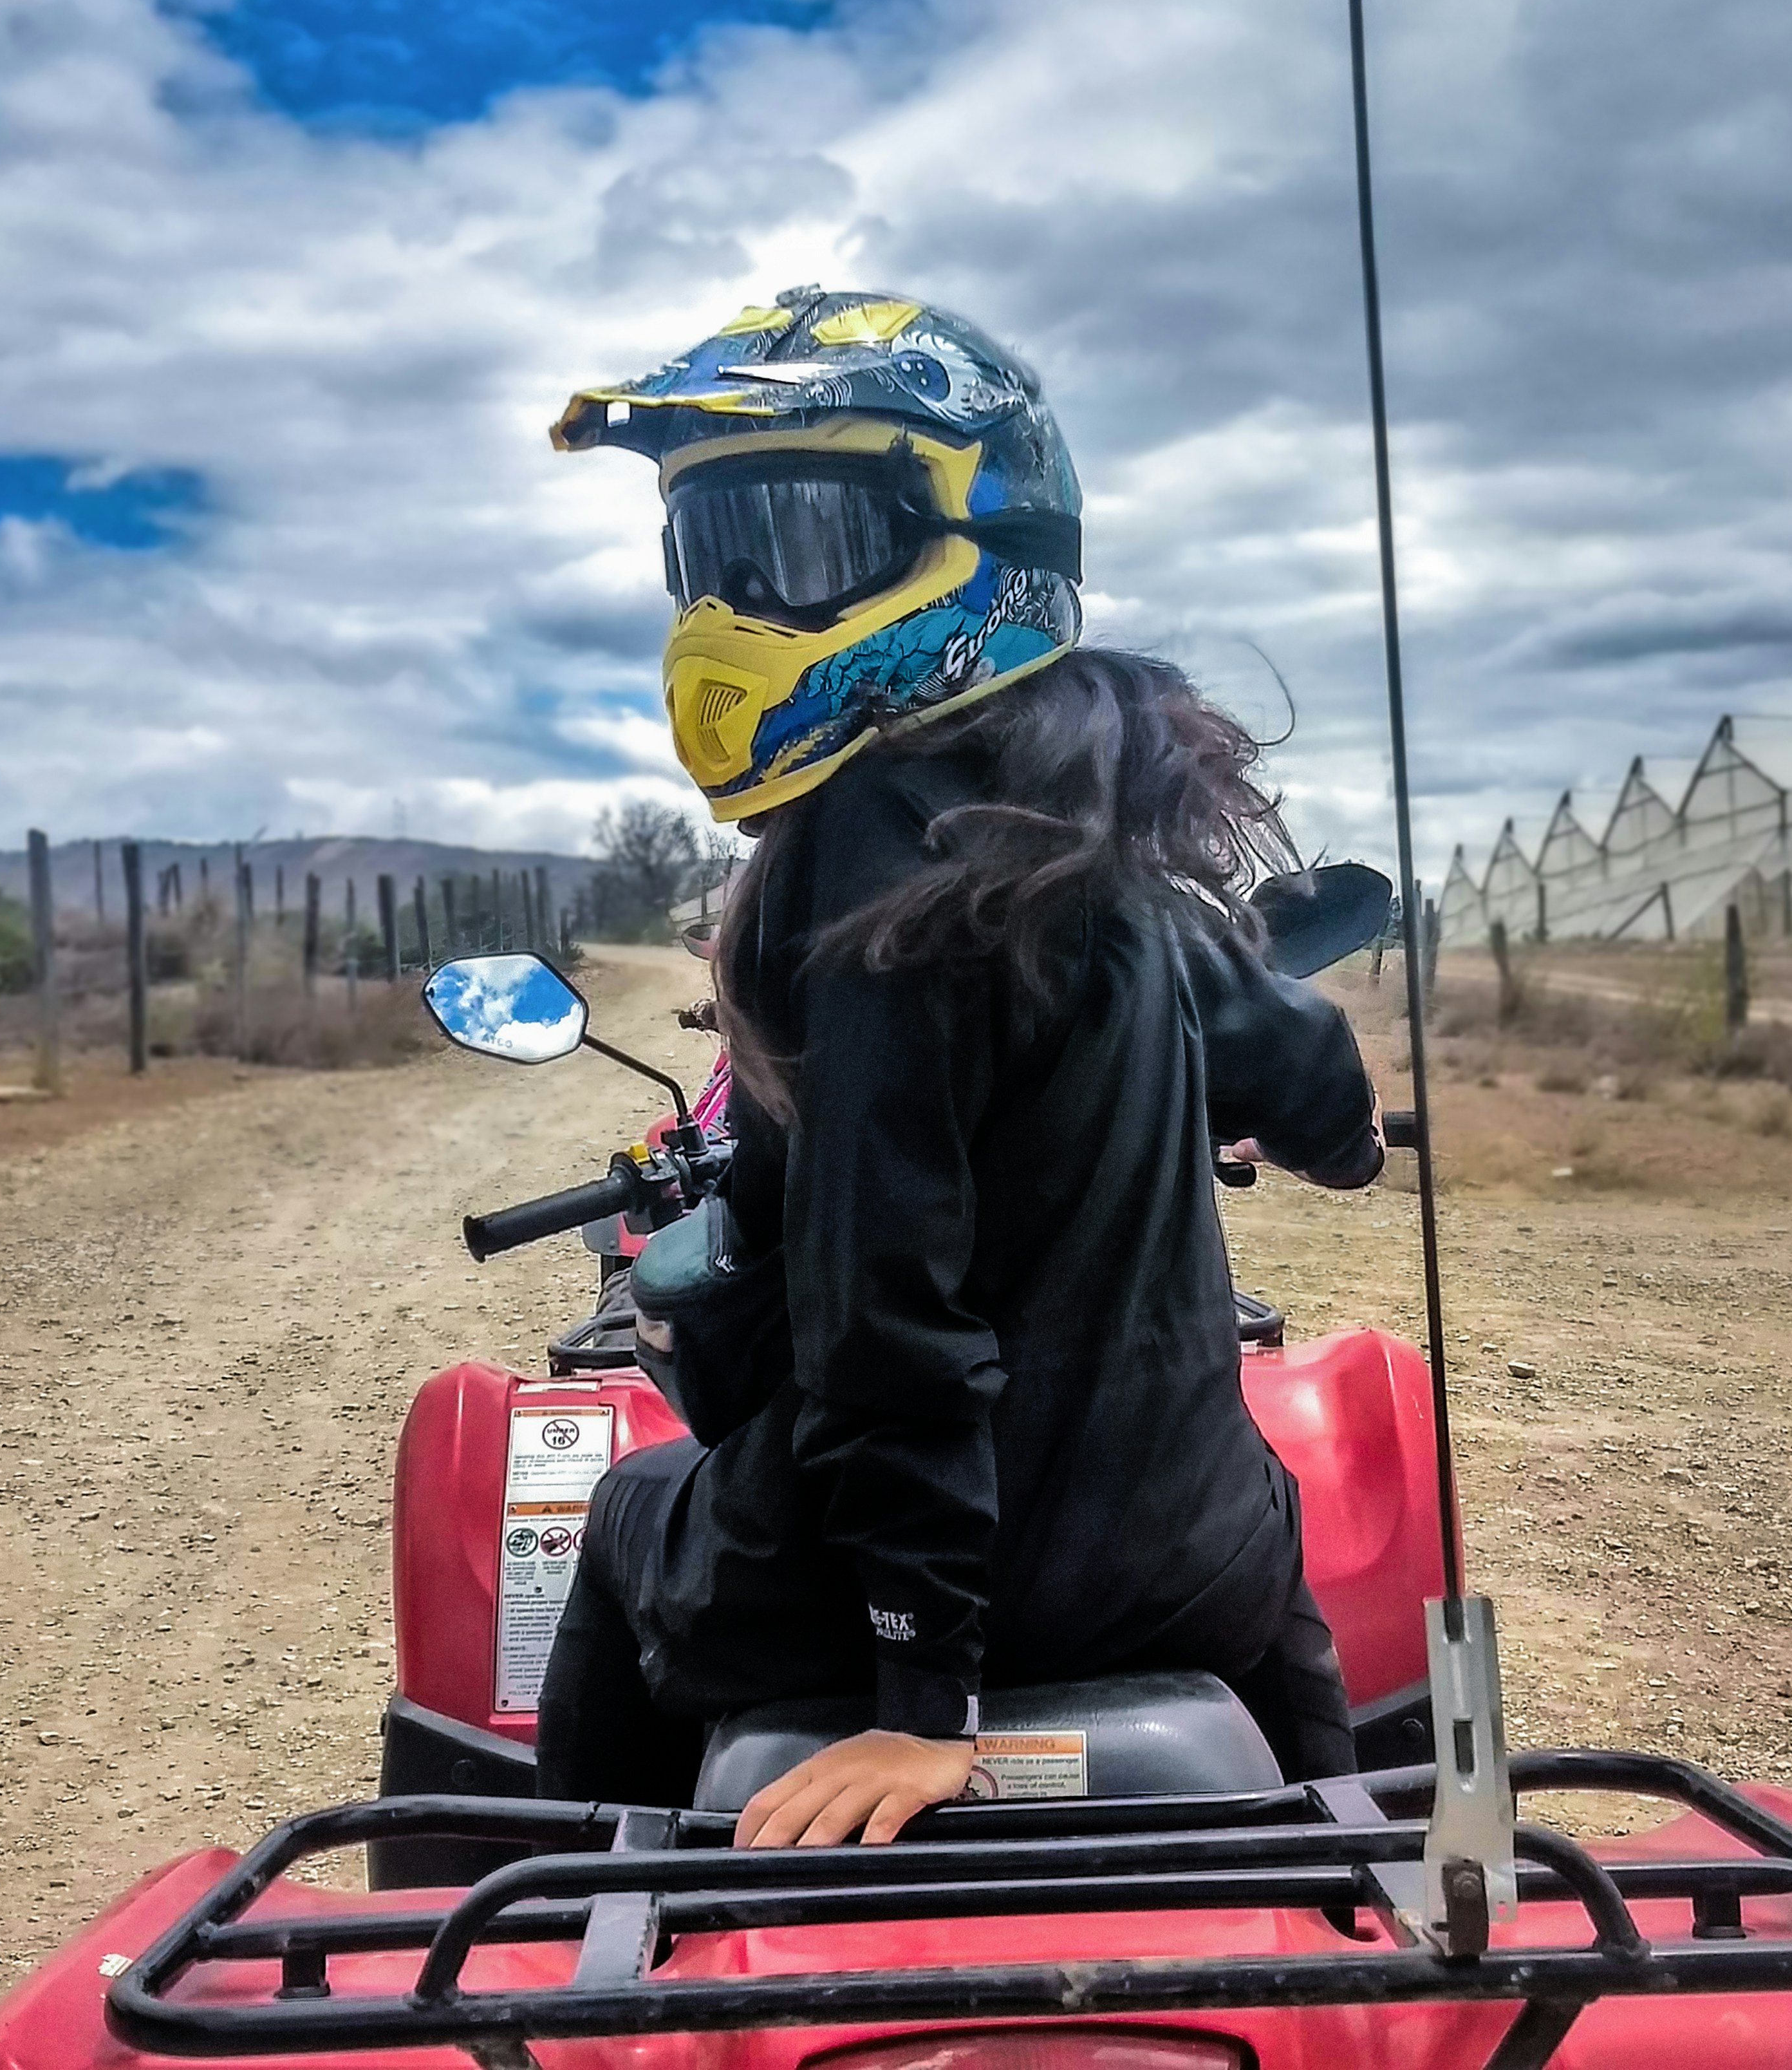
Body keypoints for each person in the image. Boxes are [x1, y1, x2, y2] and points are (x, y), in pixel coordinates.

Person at [535, 288, 1385, 1849]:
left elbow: (880, 1321)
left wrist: (924, 1699)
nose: (735, 603)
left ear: (973, 536)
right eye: (708, 556)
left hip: (911, 1595)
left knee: (616, 1517)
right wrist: (1339, 1138)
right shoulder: (1104, 831)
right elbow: (1300, 1064)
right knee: (1262, 1521)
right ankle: (1363, 1882)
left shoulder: (865, 848)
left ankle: (556, 1941)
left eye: (793, 545)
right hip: (1176, 1562)